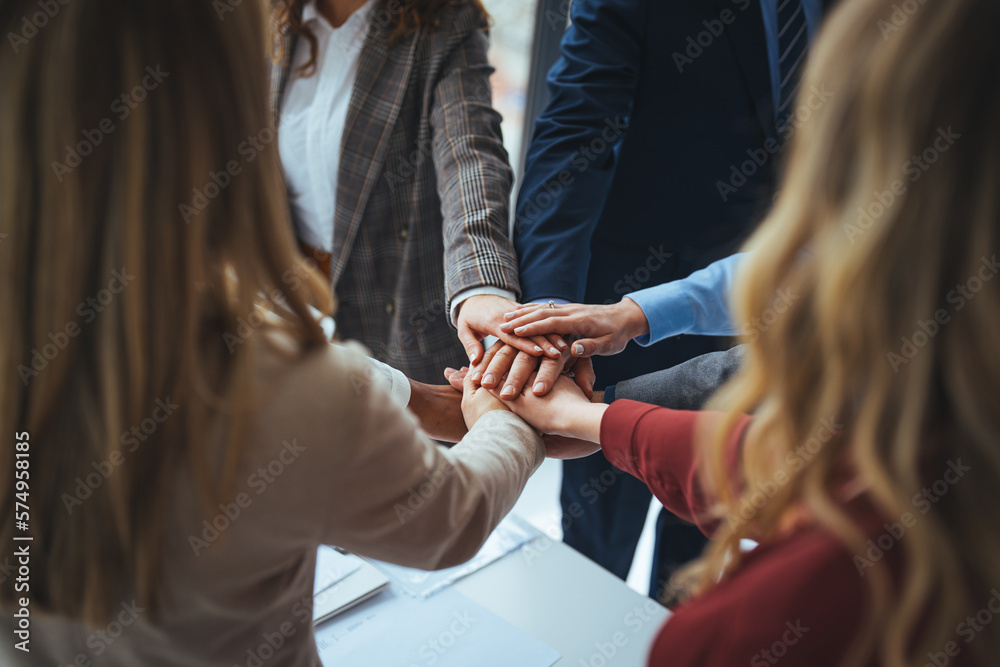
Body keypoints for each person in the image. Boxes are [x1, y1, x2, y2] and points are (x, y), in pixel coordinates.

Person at [0, 2, 545, 664]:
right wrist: (505, 420)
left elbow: (470, 157)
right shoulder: (294, 393)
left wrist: (479, 297)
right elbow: (450, 520)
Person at [488, 0, 1000, 663]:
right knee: (596, 557)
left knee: (702, 553)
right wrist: (590, 337)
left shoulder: (778, 609)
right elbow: (574, 132)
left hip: (738, 344)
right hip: (638, 298)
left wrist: (595, 411)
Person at [508, 0, 837, 596]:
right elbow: (573, 137)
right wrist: (552, 320)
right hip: (625, 298)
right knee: (597, 525)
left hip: (795, 302)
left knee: (717, 520)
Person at [268, 0, 562, 384]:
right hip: (286, 296)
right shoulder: (262, 19)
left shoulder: (445, 21)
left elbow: (469, 157)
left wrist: (481, 287)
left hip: (396, 308)